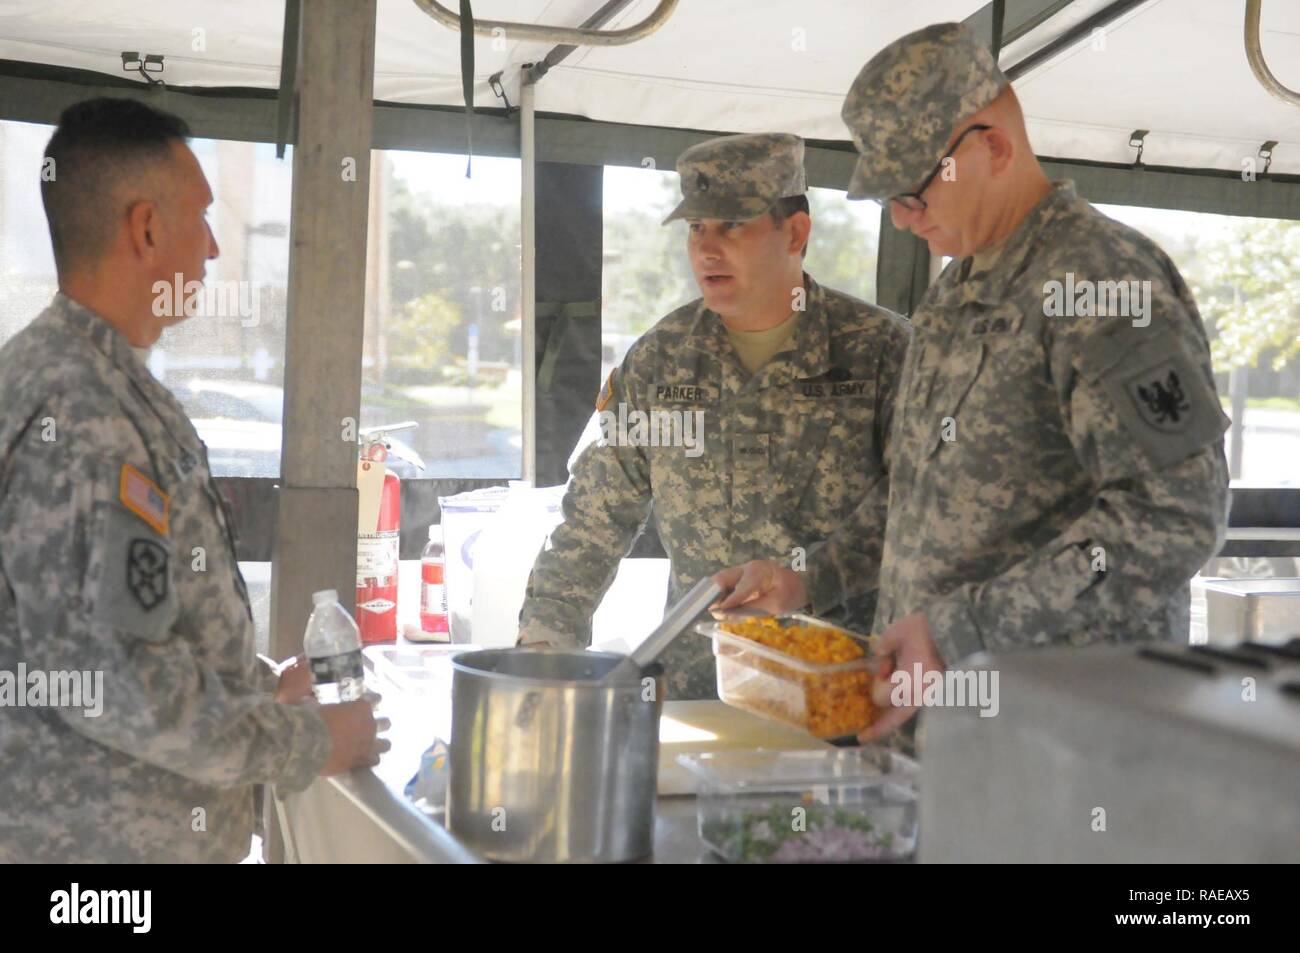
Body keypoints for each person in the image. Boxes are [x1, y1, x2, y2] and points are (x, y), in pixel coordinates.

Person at [715, 23, 1230, 740]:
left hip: (1062, 740)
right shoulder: (957, 292)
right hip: (941, 735)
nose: (900, 217)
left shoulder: (1101, 283)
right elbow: (915, 494)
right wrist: (810, 574)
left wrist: (962, 628)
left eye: (915, 192)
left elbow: (1177, 517)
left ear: (992, 147)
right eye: (889, 197)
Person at [0, 98, 383, 862]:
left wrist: (251, 686)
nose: (212, 246)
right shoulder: (83, 407)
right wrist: (308, 740)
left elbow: (130, 626)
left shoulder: (93, 379)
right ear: (145, 229)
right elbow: (112, 678)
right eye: (203, 217)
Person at [517, 132, 911, 699]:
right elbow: (593, 520)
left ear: (795, 231)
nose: (707, 249)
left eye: (733, 226)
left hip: (844, 697)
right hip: (700, 696)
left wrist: (813, 579)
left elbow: (922, 515)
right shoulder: (661, 359)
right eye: (697, 228)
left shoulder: (883, 353)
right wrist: (543, 649)